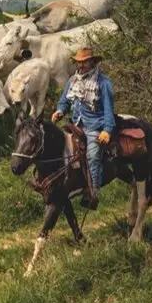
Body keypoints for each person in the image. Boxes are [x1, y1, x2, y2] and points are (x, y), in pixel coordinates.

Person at [52, 47, 115, 210]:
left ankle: (92, 193)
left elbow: (109, 108)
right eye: (78, 62)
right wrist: (59, 111)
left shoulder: (103, 82)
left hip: (94, 126)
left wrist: (107, 130)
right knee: (60, 150)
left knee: (93, 155)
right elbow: (64, 101)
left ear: (93, 62)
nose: (81, 65)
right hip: (75, 124)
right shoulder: (73, 80)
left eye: (84, 61)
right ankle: (62, 185)